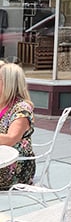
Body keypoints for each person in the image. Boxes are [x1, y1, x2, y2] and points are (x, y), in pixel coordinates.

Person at [0, 61, 36, 190]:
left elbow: (11, 139)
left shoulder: (21, 109)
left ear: (8, 83)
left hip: (13, 166)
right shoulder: (2, 103)